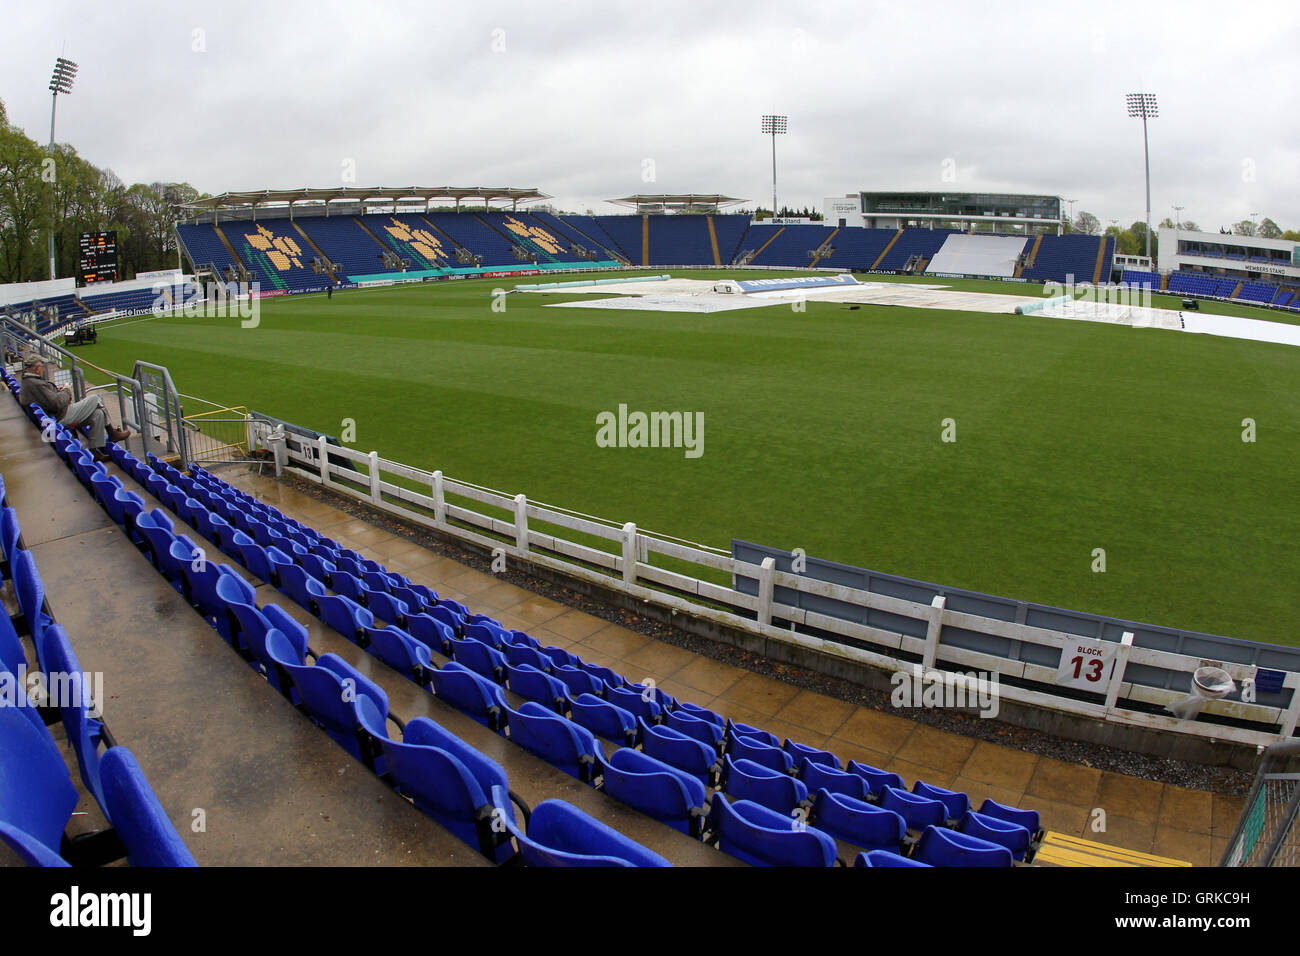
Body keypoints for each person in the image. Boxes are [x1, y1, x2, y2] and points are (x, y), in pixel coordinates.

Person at [18, 353, 131, 462]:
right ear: (37, 368)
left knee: (98, 414)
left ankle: (95, 452)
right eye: (42, 367)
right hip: (61, 416)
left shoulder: (28, 382)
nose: (43, 369)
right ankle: (112, 433)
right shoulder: (35, 384)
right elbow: (57, 403)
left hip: (55, 415)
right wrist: (67, 390)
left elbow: (50, 400)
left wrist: (60, 392)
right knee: (96, 398)